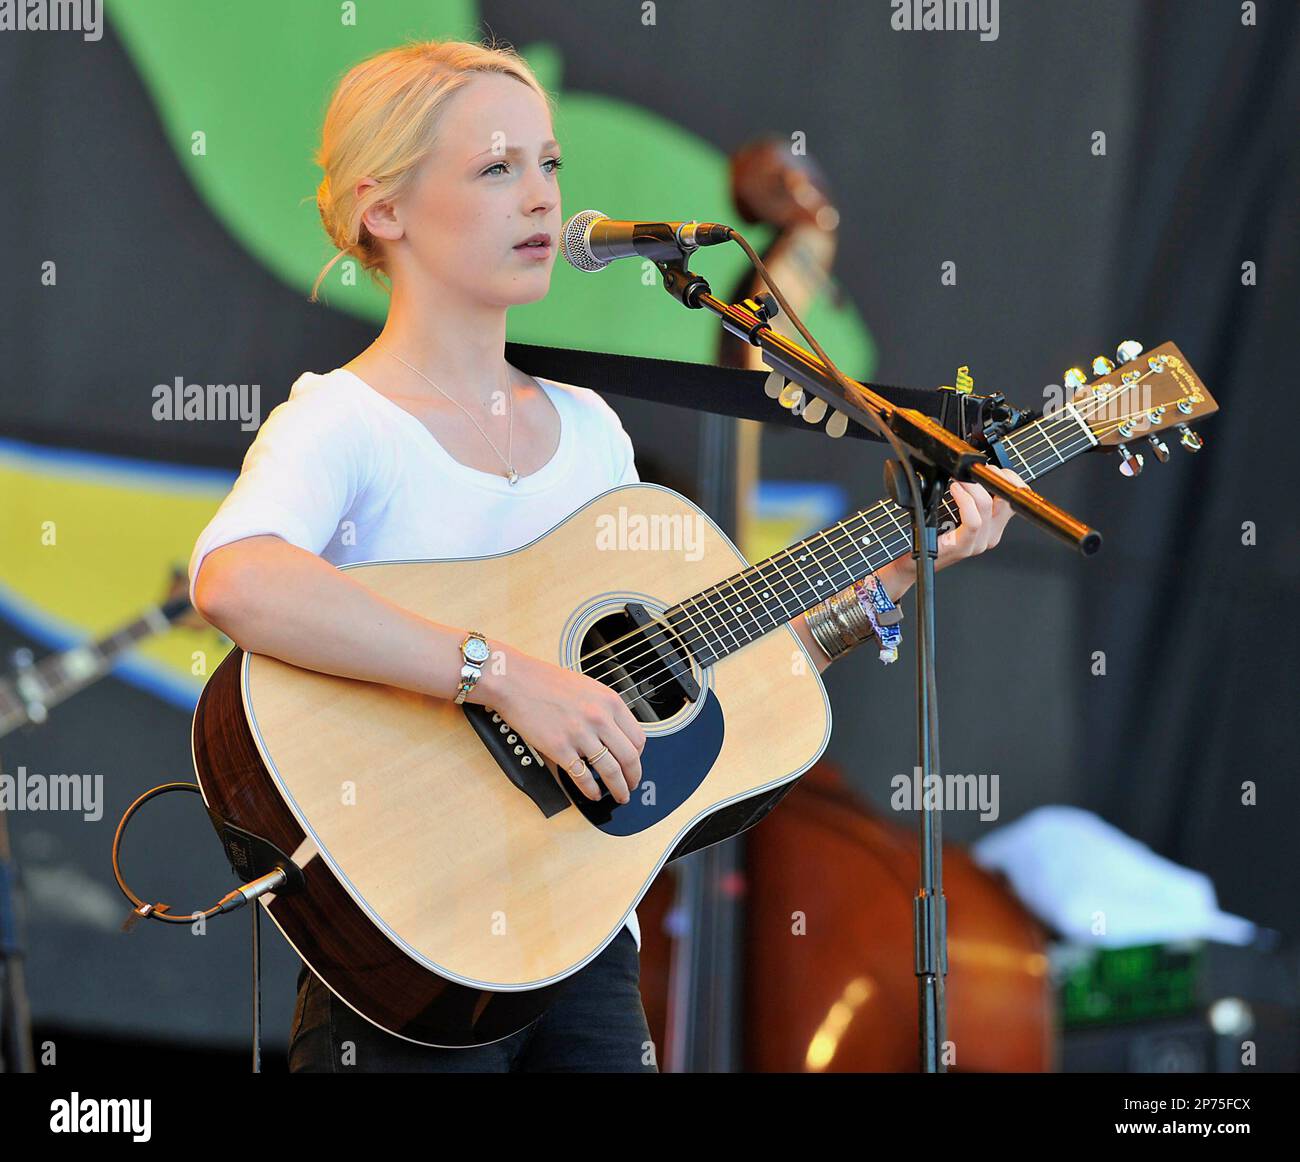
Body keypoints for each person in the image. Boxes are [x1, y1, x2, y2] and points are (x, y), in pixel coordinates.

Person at [188, 37, 1025, 1074]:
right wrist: (501, 677)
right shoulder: (343, 419)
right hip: (412, 942)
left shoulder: (588, 430)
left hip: (585, 940)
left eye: (549, 165)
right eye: (496, 169)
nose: (539, 198)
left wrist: (901, 570)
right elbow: (235, 576)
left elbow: (724, 665)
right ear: (383, 209)